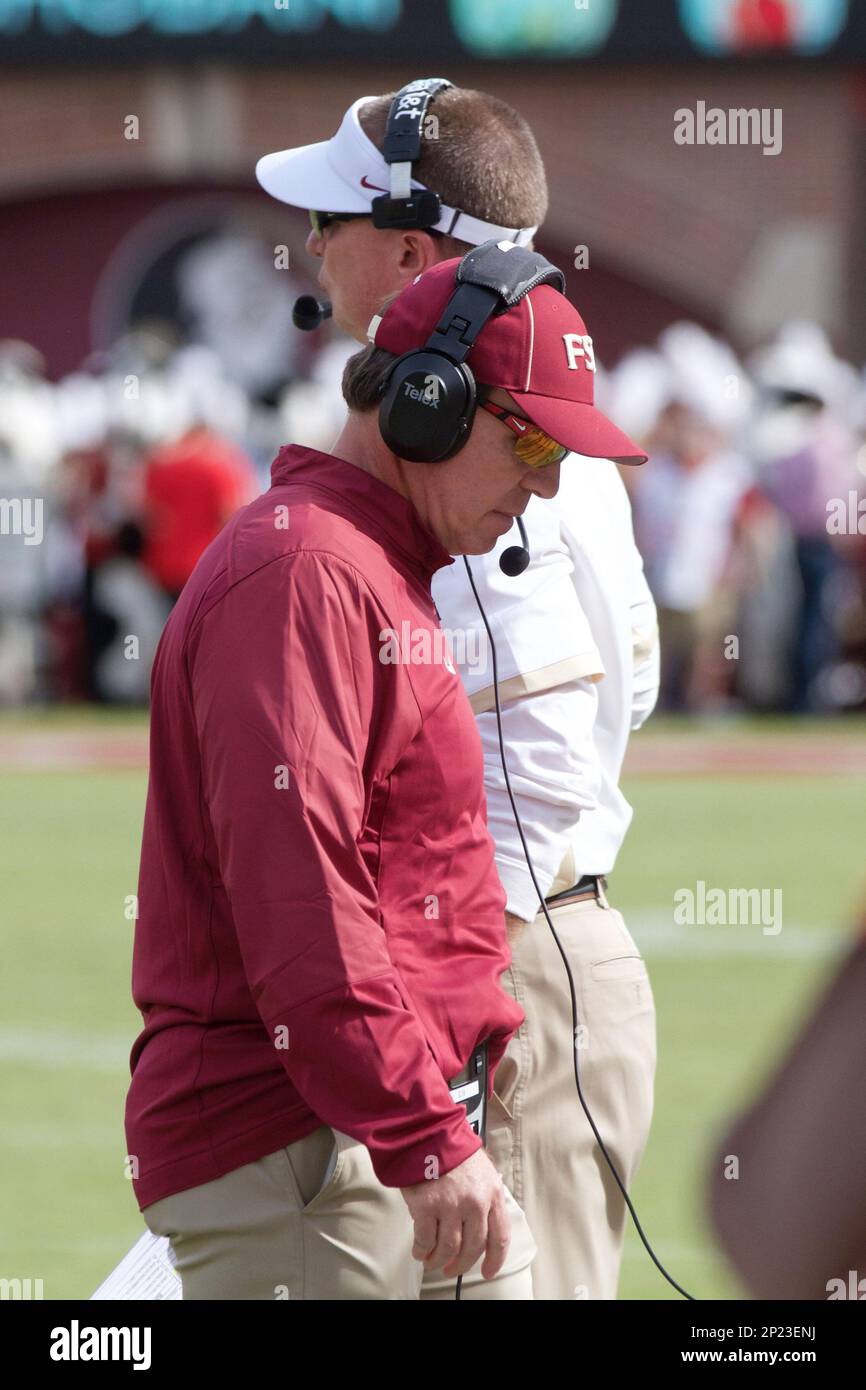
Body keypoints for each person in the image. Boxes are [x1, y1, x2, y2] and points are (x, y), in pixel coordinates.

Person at [124, 243, 648, 1301]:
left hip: (385, 1125)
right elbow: (302, 898)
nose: (546, 486)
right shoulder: (306, 575)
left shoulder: (367, 564)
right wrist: (425, 1138)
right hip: (313, 1146)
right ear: (426, 403)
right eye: (532, 441)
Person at [256, 78, 658, 1299]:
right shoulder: (540, 425)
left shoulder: (472, 455)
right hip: (514, 964)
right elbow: (628, 688)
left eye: (334, 223)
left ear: (412, 254)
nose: (312, 247)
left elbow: (452, 773)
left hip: (498, 972)